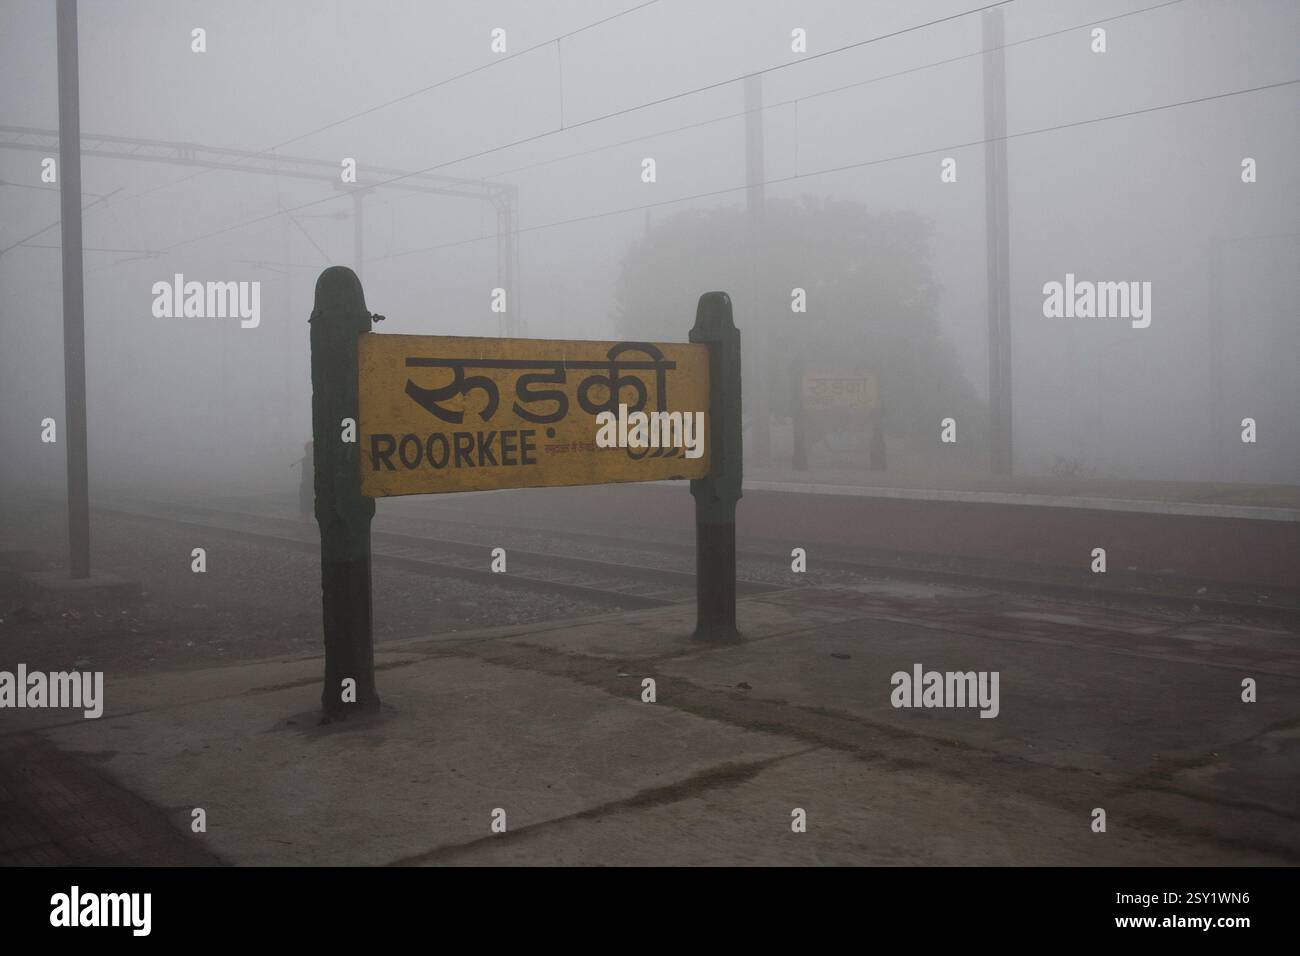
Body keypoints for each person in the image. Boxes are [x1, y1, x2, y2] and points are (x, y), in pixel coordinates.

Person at [292, 441, 314, 520]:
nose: (307, 451)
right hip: (306, 481)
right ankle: (305, 514)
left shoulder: (313, 459)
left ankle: (307, 514)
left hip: (311, 482)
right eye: (307, 449)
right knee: (304, 497)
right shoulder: (306, 459)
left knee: (309, 498)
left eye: (309, 449)